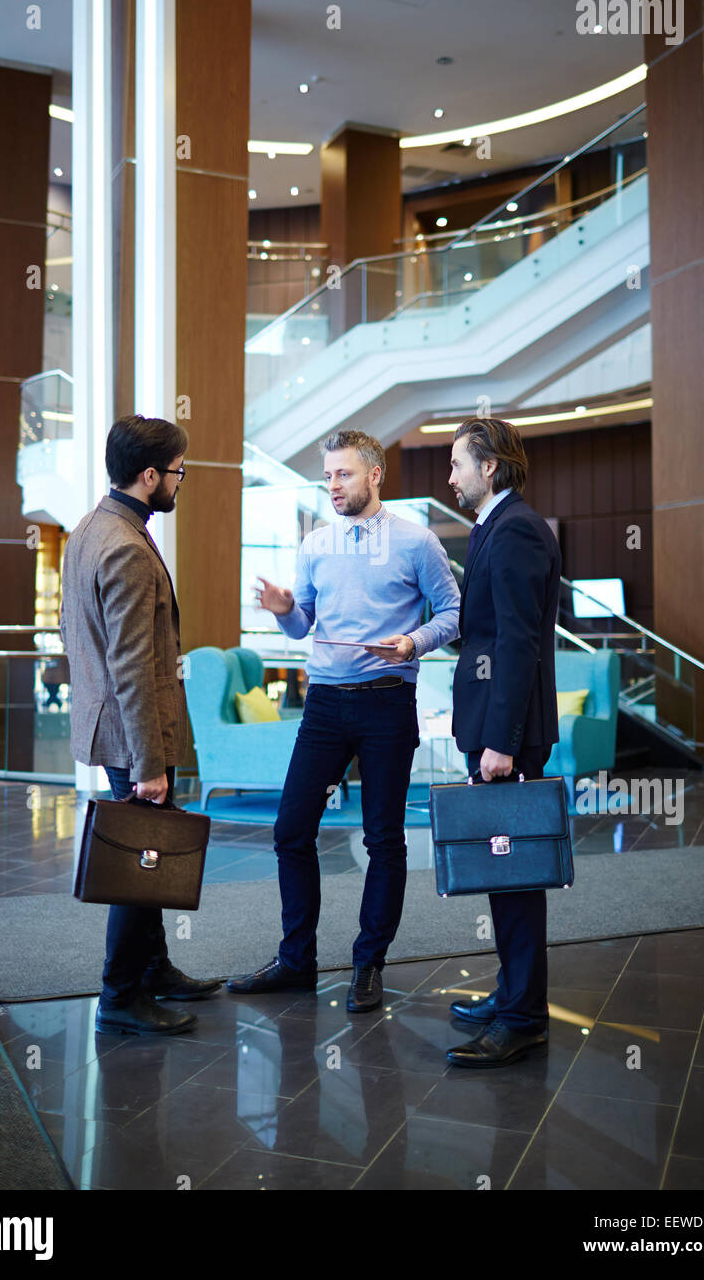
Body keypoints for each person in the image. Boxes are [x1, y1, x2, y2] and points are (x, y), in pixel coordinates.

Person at [226, 429, 460, 1012]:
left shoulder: (416, 542)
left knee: (383, 839)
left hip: (387, 702)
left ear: (375, 475)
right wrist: (284, 611)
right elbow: (303, 624)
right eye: (327, 475)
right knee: (290, 831)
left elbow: (455, 613)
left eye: (344, 474)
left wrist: (411, 642)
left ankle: (368, 964)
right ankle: (295, 962)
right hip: (326, 703)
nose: (332, 484)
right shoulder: (315, 545)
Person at [60, 414, 221, 1035]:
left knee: (147, 851)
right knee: (141, 860)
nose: (181, 483)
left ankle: (153, 969)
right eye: (178, 472)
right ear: (149, 475)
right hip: (134, 731)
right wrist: (150, 764)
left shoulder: (91, 529)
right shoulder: (125, 546)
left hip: (117, 722)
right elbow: (129, 660)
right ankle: (121, 997)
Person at [445, 416, 561, 1068]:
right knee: (503, 872)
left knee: (514, 878)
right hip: (495, 730)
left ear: (490, 466)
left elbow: (516, 643)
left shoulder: (515, 529)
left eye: (459, 463)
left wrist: (501, 744)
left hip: (504, 739)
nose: (451, 476)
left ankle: (522, 1018)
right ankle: (512, 994)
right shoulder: (496, 526)